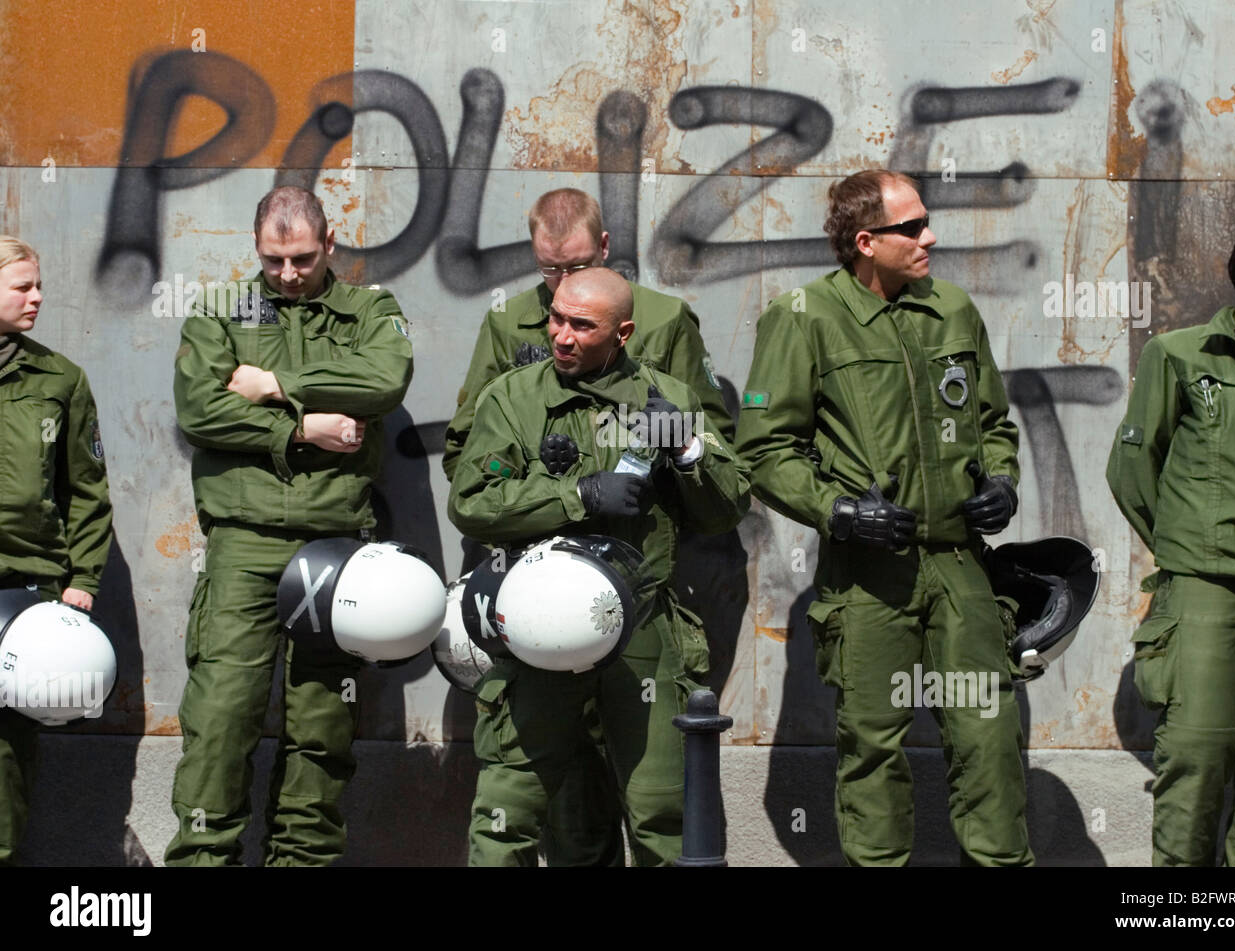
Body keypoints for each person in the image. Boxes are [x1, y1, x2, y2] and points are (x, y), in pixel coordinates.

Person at [734, 169, 1032, 866]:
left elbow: (992, 423)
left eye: (926, 222)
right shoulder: (803, 316)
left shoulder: (952, 310)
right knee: (871, 749)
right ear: (866, 241)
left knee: (989, 741)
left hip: (960, 569)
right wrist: (837, 511)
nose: (930, 237)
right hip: (868, 581)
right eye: (913, 227)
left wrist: (1001, 480)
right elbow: (765, 448)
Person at [442, 187, 733, 864]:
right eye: (557, 319)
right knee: (509, 814)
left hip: (642, 630)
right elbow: (473, 500)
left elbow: (724, 508)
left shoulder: (670, 397)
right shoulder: (514, 398)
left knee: (667, 814)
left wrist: (686, 449)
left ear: (623, 333)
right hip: (536, 628)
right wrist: (577, 494)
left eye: (582, 325)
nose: (560, 332)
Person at [166, 186, 413, 866]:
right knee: (221, 716)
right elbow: (201, 412)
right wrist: (304, 426)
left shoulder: (370, 309)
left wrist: (274, 383)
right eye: (274, 260)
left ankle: (301, 860)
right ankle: (202, 857)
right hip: (243, 540)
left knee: (322, 723)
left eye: (302, 258)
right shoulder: (220, 311)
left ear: (330, 245)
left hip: (334, 545)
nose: (288, 274)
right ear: (256, 248)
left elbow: (384, 381)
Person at [1107, 217, 1235, 866]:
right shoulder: (1182, 355)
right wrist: (1189, 546)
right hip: (1203, 584)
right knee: (1198, 746)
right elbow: (1133, 470)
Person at [443, 186, 732, 484]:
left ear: (603, 246)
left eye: (579, 265)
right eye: (551, 268)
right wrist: (519, 503)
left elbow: (713, 434)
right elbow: (465, 445)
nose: (567, 280)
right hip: (533, 516)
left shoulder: (665, 318)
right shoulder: (506, 322)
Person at [0, 235, 114, 865]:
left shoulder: (60, 380)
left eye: (38, 284)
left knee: (6, 758)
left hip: (24, 598)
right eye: (23, 286)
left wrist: (83, 580)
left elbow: (87, 493)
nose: (38, 297)